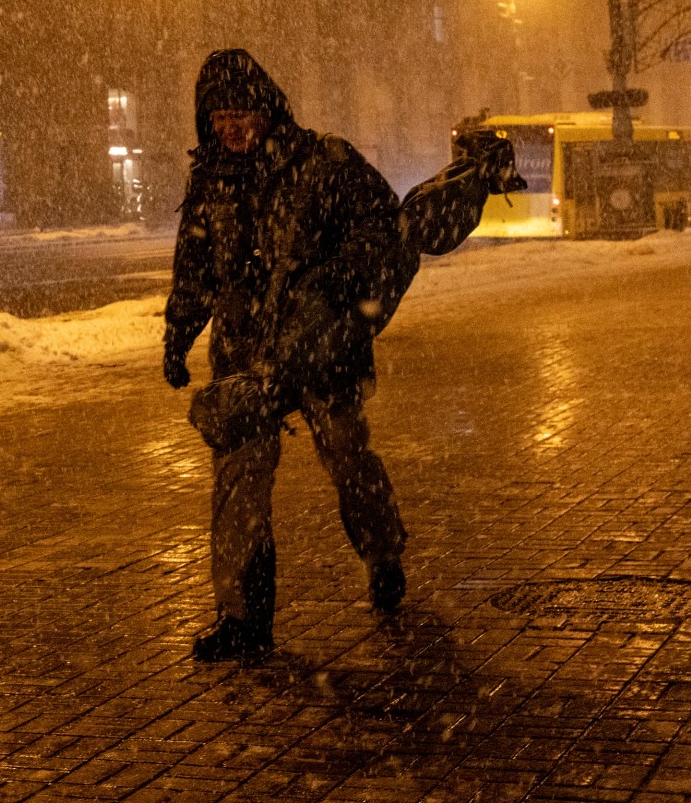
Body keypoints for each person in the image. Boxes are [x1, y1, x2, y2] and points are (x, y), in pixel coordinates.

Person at [162, 48, 519, 663]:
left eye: (240, 111)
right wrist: (178, 332)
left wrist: (336, 279)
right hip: (246, 356)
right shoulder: (210, 181)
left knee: (348, 458)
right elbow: (195, 267)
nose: (231, 126)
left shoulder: (323, 162)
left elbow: (383, 227)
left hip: (320, 347)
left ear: (266, 108)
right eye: (218, 116)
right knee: (238, 481)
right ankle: (243, 618)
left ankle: (383, 552)